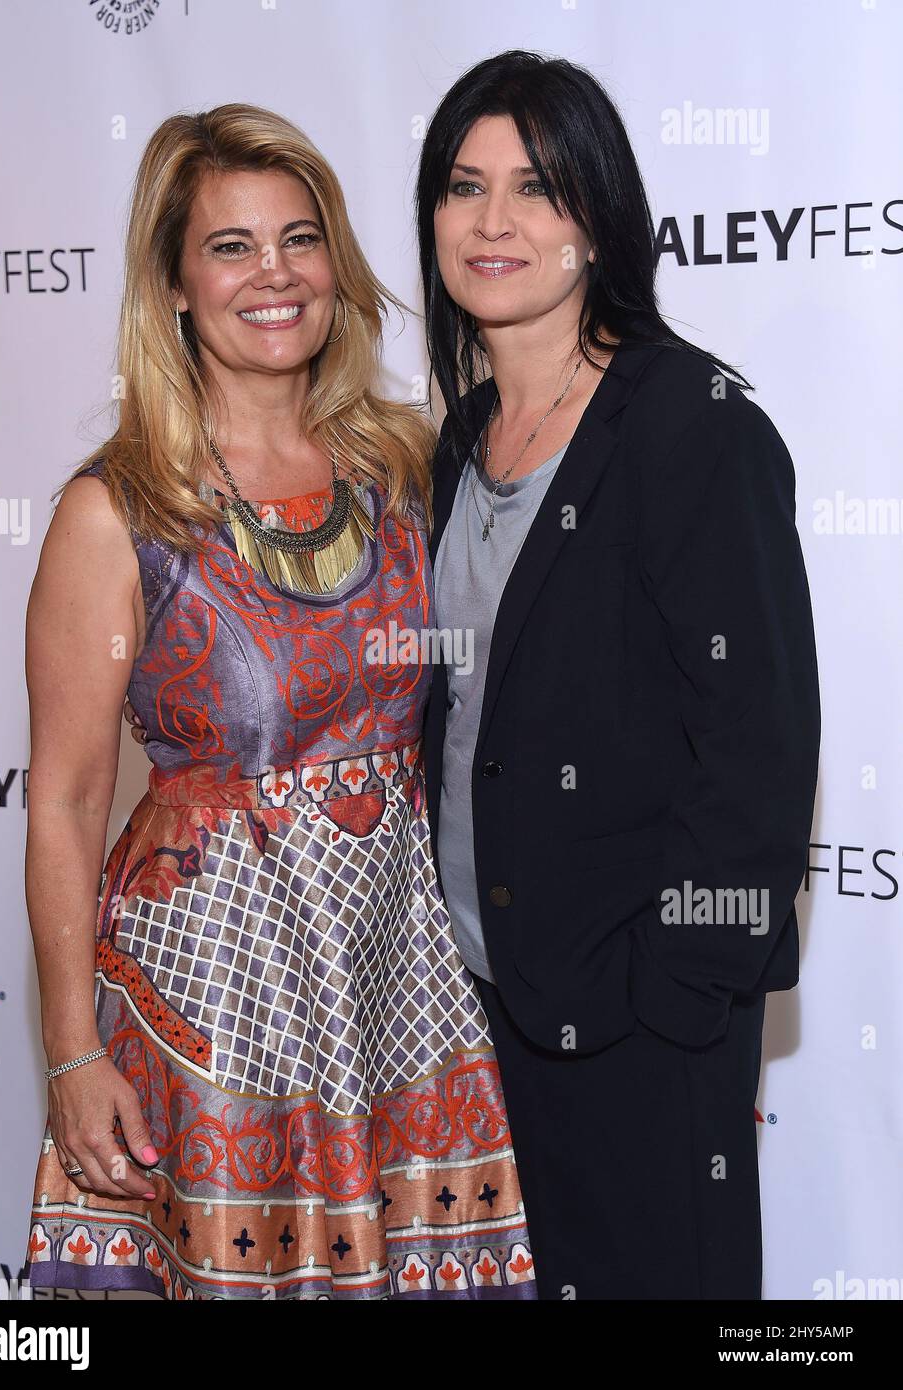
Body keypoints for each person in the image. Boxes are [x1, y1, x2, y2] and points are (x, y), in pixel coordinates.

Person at [22, 103, 535, 1302]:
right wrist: (68, 1048)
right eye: (232, 246)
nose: (275, 274)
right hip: (216, 990)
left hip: (396, 975)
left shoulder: (404, 469)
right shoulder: (120, 512)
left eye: (299, 238)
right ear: (175, 285)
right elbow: (65, 798)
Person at [415, 51, 821, 1299]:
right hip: (477, 1008)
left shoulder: (692, 426)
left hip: (637, 1023)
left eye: (534, 187)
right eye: (463, 187)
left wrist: (671, 994)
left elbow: (757, 756)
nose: (493, 223)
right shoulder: (460, 438)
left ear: (596, 218)